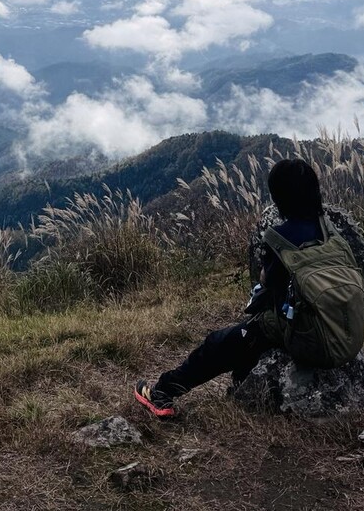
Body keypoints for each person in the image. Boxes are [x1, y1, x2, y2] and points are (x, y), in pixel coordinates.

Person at [134, 158, 342, 418]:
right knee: (248, 339)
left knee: (219, 342)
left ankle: (161, 394)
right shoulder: (331, 232)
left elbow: (269, 286)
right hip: (343, 329)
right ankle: (243, 383)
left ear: (279, 197)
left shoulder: (280, 237)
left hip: (308, 334)